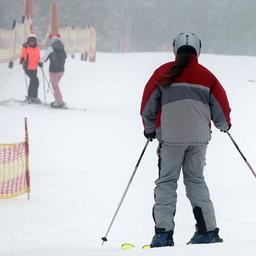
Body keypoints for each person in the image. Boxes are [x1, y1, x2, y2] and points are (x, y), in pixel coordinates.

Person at [140, 32, 231, 247]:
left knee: (167, 182)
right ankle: (207, 231)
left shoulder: (163, 72)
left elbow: (147, 105)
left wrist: (149, 129)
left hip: (170, 138)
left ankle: (163, 234)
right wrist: (224, 125)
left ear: (175, 49)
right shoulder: (207, 75)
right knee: (196, 180)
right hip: (199, 139)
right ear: (197, 50)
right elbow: (221, 106)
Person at [40, 35, 67, 108]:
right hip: (61, 71)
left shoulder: (51, 48)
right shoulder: (62, 48)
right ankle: (57, 101)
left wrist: (40, 62)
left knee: (55, 87)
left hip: (54, 71)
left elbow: (43, 59)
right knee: (56, 86)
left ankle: (59, 102)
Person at [20, 33, 41, 103]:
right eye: (30, 40)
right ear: (28, 41)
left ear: (35, 41)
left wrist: (39, 62)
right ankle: (32, 96)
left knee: (33, 81)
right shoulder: (26, 47)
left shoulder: (37, 48)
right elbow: (23, 55)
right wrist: (22, 59)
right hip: (27, 67)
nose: (31, 42)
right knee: (35, 80)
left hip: (34, 68)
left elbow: (38, 57)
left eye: (33, 40)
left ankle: (33, 96)